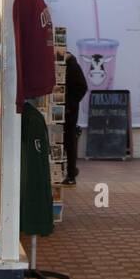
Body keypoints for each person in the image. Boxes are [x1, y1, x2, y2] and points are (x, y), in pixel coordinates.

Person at [62, 50, 88, 186]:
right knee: (67, 142)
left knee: (69, 142)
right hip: (68, 109)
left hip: (69, 111)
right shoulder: (68, 65)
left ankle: (71, 174)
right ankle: (71, 171)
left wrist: (71, 103)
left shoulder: (72, 66)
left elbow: (83, 87)